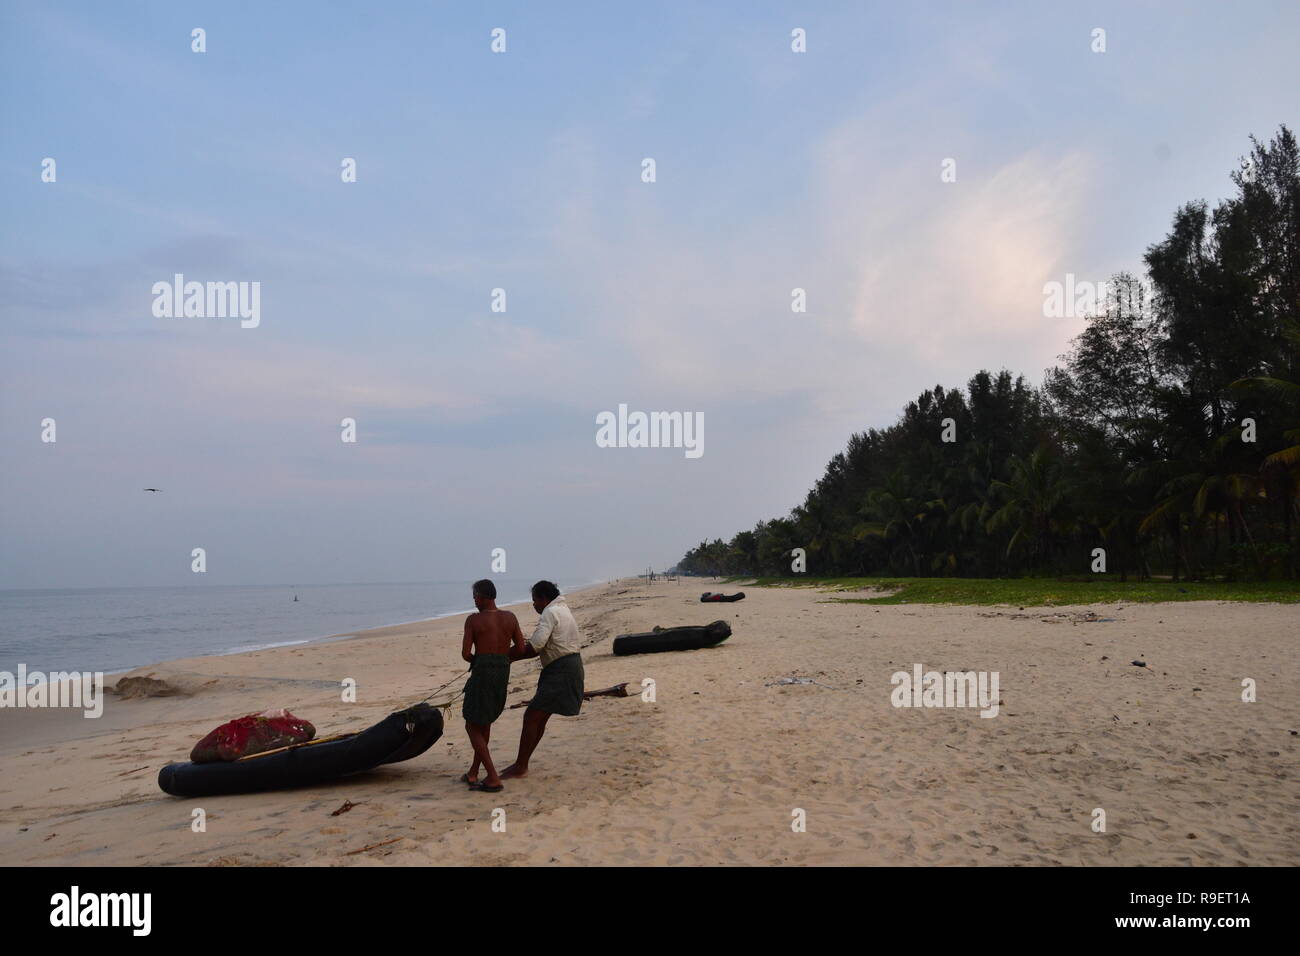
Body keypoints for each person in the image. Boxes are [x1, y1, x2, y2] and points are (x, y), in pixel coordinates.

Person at [500, 580, 584, 779]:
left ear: (544, 598)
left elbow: (535, 646)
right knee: (539, 717)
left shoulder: (550, 612)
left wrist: (507, 656)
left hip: (561, 670)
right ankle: (522, 763)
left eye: (534, 600)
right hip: (569, 666)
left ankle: (521, 766)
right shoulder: (562, 609)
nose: (533, 604)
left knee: (532, 717)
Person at [460, 579, 525, 792]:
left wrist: (480, 661)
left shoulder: (473, 620)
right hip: (502, 672)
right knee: (485, 722)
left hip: (482, 673)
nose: (474, 600)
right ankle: (473, 772)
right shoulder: (510, 617)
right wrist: (502, 659)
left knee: (471, 724)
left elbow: (466, 654)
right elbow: (521, 648)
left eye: (475, 596)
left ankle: (493, 776)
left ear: (482, 596)